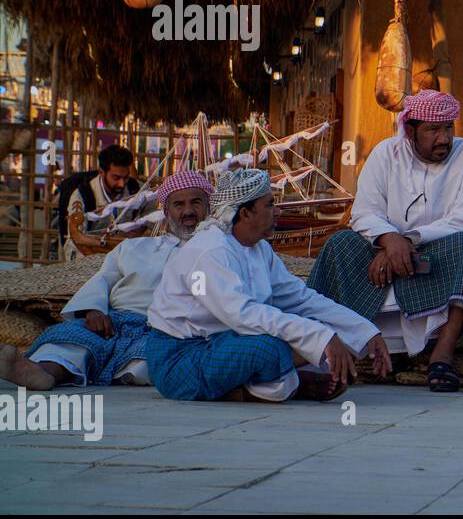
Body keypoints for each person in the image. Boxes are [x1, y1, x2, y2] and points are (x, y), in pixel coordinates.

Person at [147, 169, 391, 402]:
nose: (277, 212)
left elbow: (300, 298)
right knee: (270, 348)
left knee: (323, 337)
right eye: (270, 204)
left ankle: (270, 384)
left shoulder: (259, 247)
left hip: (224, 342)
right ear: (245, 213)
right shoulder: (209, 251)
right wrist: (321, 339)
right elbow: (244, 315)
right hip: (180, 359)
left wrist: (364, 330)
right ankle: (279, 385)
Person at [308, 89, 463, 392]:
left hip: (441, 255)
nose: (444, 139)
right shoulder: (385, 154)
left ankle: (442, 357)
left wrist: (405, 241)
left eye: (449, 128)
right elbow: (364, 213)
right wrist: (387, 239)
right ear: (409, 130)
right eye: (433, 130)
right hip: (384, 251)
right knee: (340, 243)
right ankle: (331, 346)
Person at [0, 170, 211, 390]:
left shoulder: (217, 252)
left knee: (153, 359)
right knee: (71, 341)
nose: (188, 211)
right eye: (179, 204)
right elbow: (101, 280)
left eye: (196, 202)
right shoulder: (133, 247)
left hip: (166, 328)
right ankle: (42, 373)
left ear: (208, 207)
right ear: (166, 211)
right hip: (113, 321)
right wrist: (94, 311)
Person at [56, 144, 145, 258]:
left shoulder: (137, 190)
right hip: (86, 254)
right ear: (102, 172)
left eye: (126, 177)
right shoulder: (83, 196)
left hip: (124, 254)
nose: (122, 183)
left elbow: (150, 225)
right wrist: (105, 246)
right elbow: (78, 238)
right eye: (116, 178)